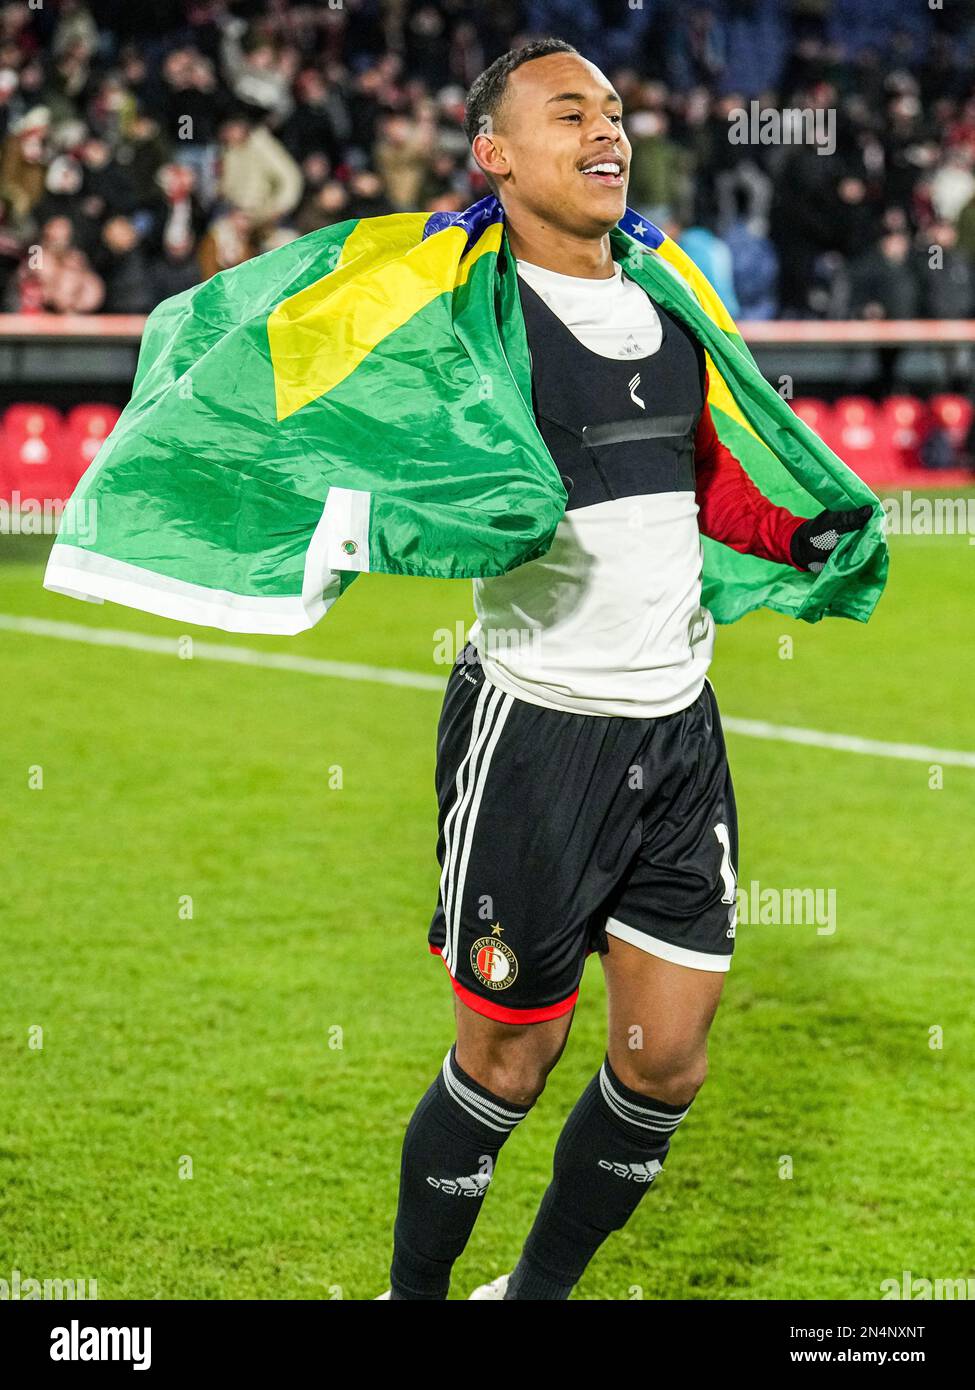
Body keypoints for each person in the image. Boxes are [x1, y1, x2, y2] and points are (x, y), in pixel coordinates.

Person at [379, 39, 872, 1303]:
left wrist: (797, 528)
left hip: (677, 733)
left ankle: (531, 1296)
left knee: (664, 1066)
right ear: (494, 154)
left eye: (613, 111)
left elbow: (701, 488)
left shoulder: (671, 304)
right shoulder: (466, 326)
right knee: (505, 1066)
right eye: (568, 113)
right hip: (538, 734)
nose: (608, 131)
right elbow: (400, 490)